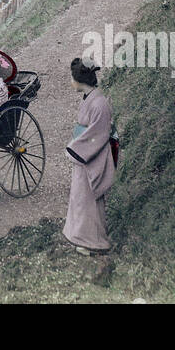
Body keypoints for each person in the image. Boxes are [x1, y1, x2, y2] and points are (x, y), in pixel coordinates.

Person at [63, 57, 116, 255]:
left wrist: (76, 148)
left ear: (78, 79)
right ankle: (82, 238)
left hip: (91, 156)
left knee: (88, 199)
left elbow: (99, 133)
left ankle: (95, 242)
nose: (71, 81)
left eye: (72, 77)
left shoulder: (99, 103)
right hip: (84, 154)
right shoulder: (91, 98)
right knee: (80, 197)